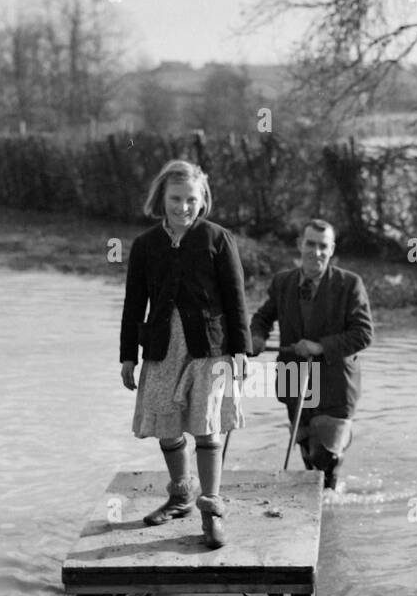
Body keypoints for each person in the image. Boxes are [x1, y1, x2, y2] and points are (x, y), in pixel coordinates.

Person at [120, 160, 251, 548]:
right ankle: (181, 495)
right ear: (161, 197)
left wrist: (241, 351)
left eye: (191, 199)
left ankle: (211, 510)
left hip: (209, 350)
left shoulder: (218, 239)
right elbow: (133, 304)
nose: (183, 207)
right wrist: (128, 355)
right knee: (167, 424)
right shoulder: (145, 246)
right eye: (175, 199)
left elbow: (236, 298)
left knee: (207, 428)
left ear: (203, 199)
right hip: (161, 349)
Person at [250, 219, 373, 490]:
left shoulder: (350, 285)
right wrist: (256, 336)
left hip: (336, 385)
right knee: (308, 455)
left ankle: (330, 509)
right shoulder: (283, 282)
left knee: (326, 458)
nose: (315, 252)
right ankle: (321, 513)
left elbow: (364, 334)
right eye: (310, 244)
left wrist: (320, 347)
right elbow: (263, 316)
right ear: (299, 245)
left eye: (322, 246)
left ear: (332, 250)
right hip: (295, 381)